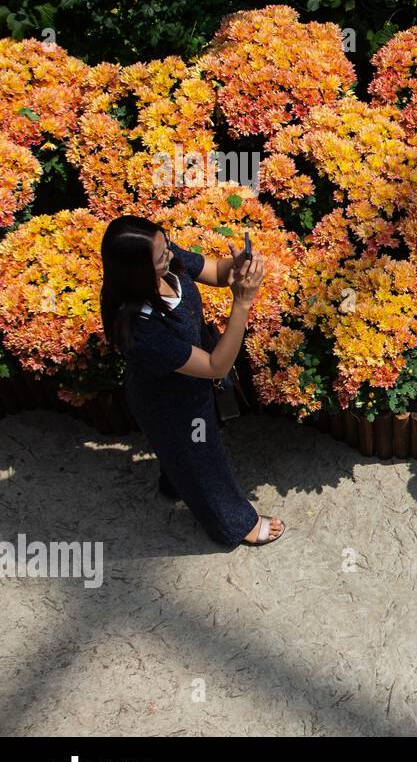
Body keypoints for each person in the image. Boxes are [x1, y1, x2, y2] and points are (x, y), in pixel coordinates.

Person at [99, 215, 285, 546]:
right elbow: (216, 365)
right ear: (138, 272)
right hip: (173, 407)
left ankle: (174, 482)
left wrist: (237, 265)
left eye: (166, 243)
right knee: (205, 459)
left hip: (189, 385)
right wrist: (242, 303)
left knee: (183, 455)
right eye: (161, 255)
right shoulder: (142, 329)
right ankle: (236, 524)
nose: (170, 253)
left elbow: (214, 270)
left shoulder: (163, 257)